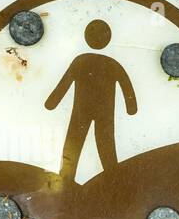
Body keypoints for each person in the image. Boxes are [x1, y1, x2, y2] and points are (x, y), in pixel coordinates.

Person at [44, 19, 137, 181]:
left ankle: (67, 178)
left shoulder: (81, 60)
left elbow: (63, 85)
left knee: (74, 142)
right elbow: (126, 86)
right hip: (103, 113)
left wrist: (52, 102)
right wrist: (131, 107)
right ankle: (113, 179)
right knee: (105, 145)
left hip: (82, 111)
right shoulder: (113, 64)